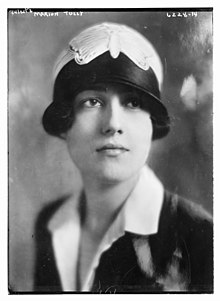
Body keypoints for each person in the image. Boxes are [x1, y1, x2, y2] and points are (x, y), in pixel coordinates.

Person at [34, 22, 213, 293]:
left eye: (133, 103)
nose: (113, 124)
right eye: (92, 102)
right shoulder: (51, 222)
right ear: (65, 123)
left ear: (151, 125)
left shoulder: (202, 236)